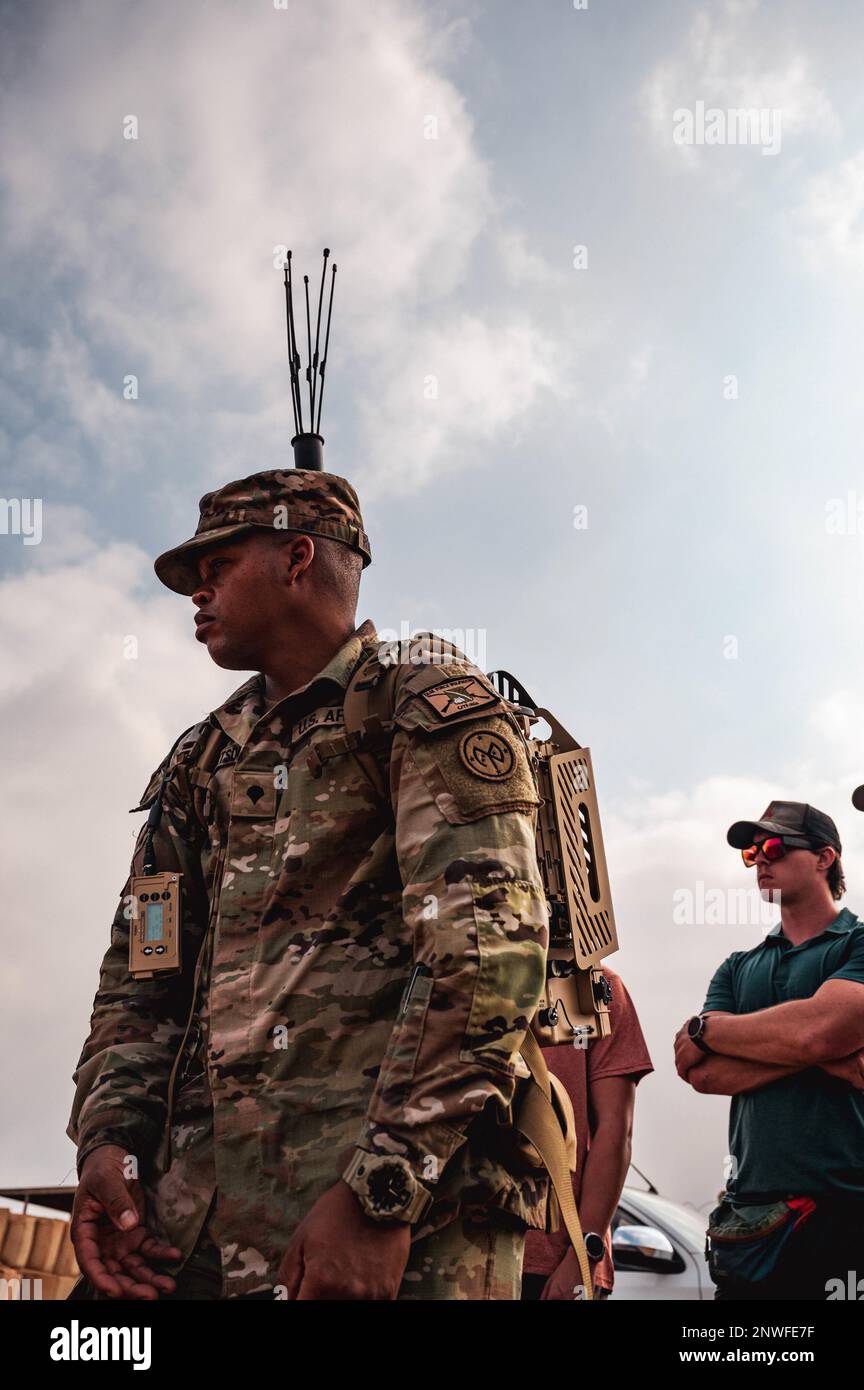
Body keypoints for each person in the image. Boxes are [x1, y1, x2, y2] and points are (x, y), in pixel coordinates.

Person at [67, 468, 552, 1301]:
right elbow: (144, 969)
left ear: (298, 557)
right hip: (193, 1228)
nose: (197, 590)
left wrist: (382, 1191)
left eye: (216, 564)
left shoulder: (425, 706)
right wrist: (109, 1141)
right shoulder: (199, 762)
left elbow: (488, 958)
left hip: (395, 1230)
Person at [676, 800, 864, 1300]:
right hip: (751, 1220)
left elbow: (819, 1033)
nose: (761, 860)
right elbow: (701, 1074)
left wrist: (711, 1030)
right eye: (753, 852)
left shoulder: (858, 944)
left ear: (825, 857)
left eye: (775, 847)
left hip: (847, 1213)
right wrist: (826, 1057)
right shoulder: (738, 965)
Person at [520, 966, 653, 1300]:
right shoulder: (462, 976)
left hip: (552, 1261)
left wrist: (584, 1255)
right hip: (457, 1249)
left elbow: (616, 1130)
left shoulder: (596, 987)